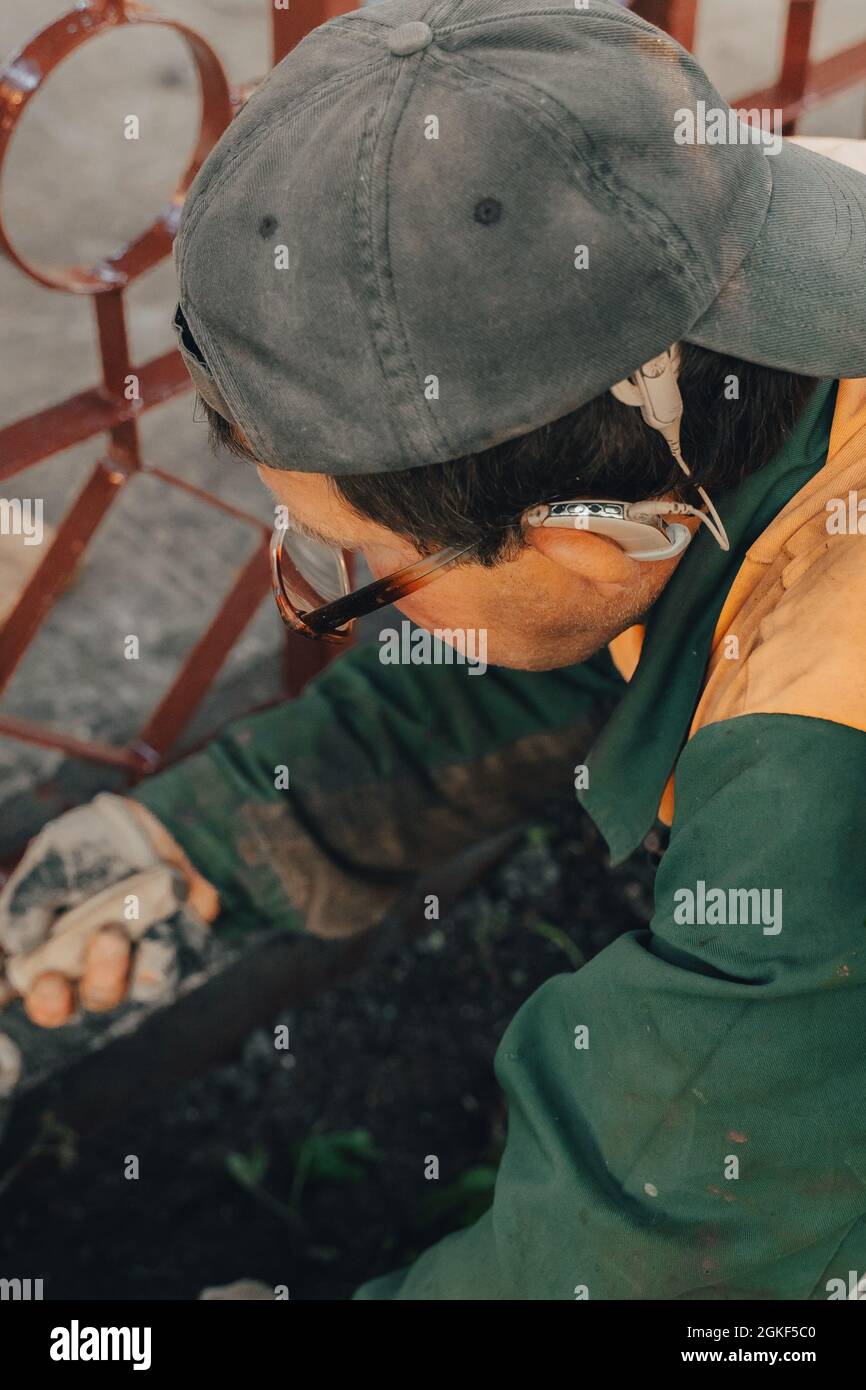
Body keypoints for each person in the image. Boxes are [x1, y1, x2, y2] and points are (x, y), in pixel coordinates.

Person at [3, 0, 866, 1299]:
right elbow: (589, 620)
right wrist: (208, 833)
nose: (368, 604)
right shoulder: (757, 274)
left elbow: (659, 1252)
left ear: (577, 539)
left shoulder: (815, 799)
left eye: (359, 571)